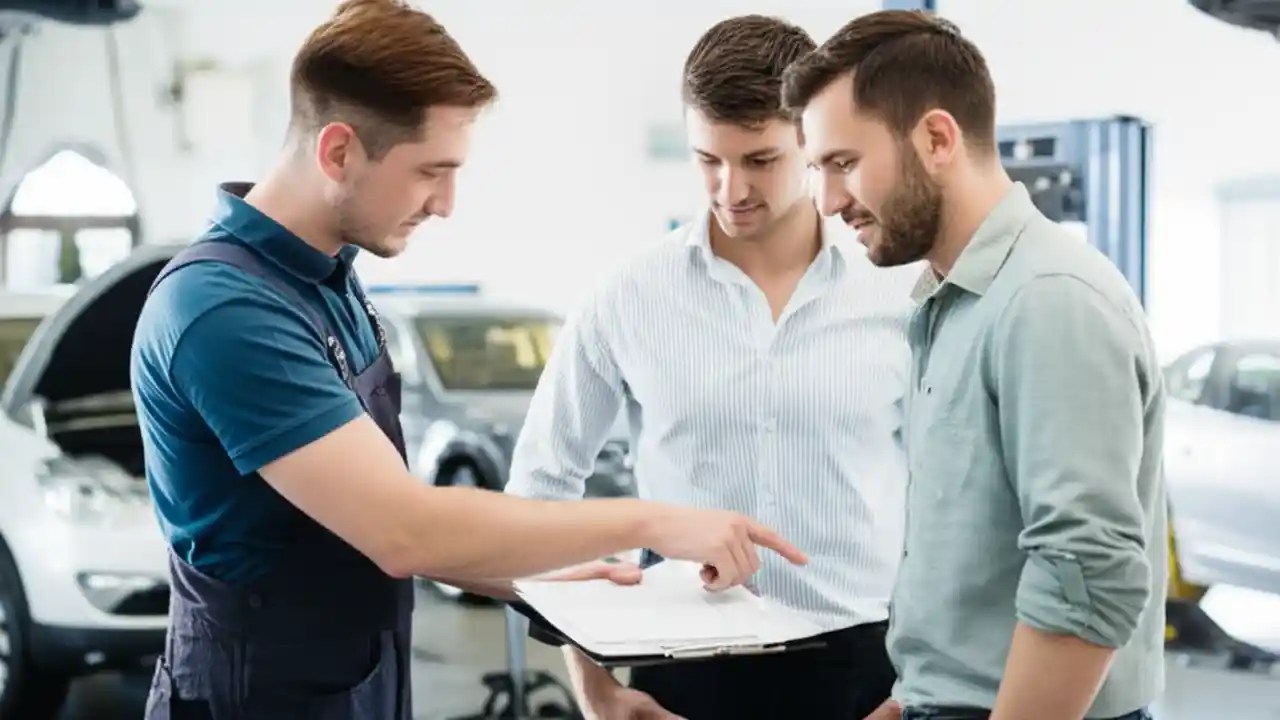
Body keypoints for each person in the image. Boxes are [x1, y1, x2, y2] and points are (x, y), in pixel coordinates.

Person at [128, 2, 807, 718]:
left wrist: (534, 578)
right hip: (252, 699)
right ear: (339, 152)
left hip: (351, 684)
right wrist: (652, 523)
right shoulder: (225, 311)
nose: (446, 204)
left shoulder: (327, 282)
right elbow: (405, 530)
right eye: (432, 171)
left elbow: (365, 525)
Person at [503, 14, 918, 720]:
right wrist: (596, 690)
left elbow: (954, 507)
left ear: (810, 140)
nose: (731, 190)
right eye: (708, 161)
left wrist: (918, 692)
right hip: (683, 673)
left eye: (760, 160)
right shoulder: (628, 296)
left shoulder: (899, 290)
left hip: (867, 673)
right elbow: (539, 494)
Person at [781, 9, 1167, 720]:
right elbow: (973, 551)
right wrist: (914, 698)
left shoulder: (1048, 300)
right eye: (816, 170)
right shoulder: (950, 303)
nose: (828, 202)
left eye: (843, 164)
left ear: (937, 138)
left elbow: (1087, 574)